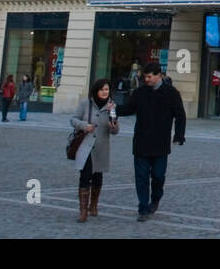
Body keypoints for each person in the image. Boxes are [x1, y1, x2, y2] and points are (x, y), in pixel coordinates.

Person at [115, 61, 187, 221]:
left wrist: (179, 136)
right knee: (141, 177)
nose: (146, 79)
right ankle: (143, 208)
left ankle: (155, 199)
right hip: (141, 142)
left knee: (158, 176)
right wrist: (113, 108)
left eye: (149, 77)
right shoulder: (139, 92)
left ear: (158, 75)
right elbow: (129, 108)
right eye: (145, 77)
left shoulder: (171, 93)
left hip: (161, 144)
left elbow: (180, 115)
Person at [71, 78, 119, 222]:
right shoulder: (85, 104)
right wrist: (84, 126)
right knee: (85, 176)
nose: (104, 92)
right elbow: (73, 120)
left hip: (101, 147)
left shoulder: (112, 106)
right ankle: (83, 211)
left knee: (98, 177)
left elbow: (115, 130)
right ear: (96, 90)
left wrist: (113, 126)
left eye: (106, 89)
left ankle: (93, 205)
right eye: (101, 89)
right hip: (85, 146)